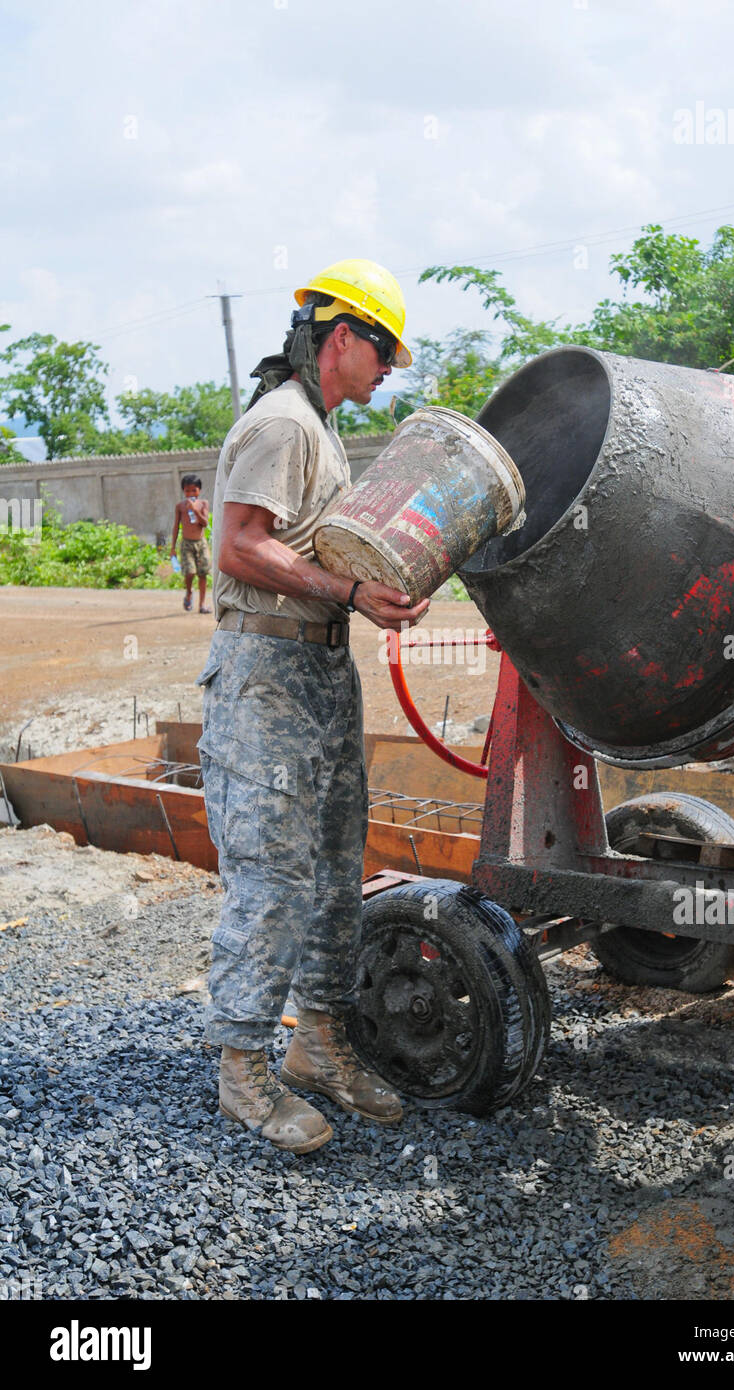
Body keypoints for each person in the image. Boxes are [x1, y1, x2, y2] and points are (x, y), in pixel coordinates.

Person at [195, 259, 429, 1154]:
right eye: (384, 355)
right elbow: (239, 547)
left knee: (334, 873)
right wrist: (348, 591)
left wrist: (369, 587)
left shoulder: (321, 429)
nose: (389, 372)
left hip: (319, 674)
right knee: (273, 879)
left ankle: (320, 1048)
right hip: (266, 678)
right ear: (343, 338)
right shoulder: (281, 424)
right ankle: (243, 1073)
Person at [170, 475, 211, 613]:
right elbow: (176, 527)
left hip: (201, 543)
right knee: (190, 572)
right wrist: (172, 548)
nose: (191, 494)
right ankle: (188, 592)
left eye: (194, 490)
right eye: (187, 491)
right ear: (183, 491)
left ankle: (202, 604)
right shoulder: (180, 506)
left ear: (199, 490)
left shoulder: (203, 504)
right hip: (186, 544)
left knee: (203, 573)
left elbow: (205, 523)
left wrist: (195, 510)